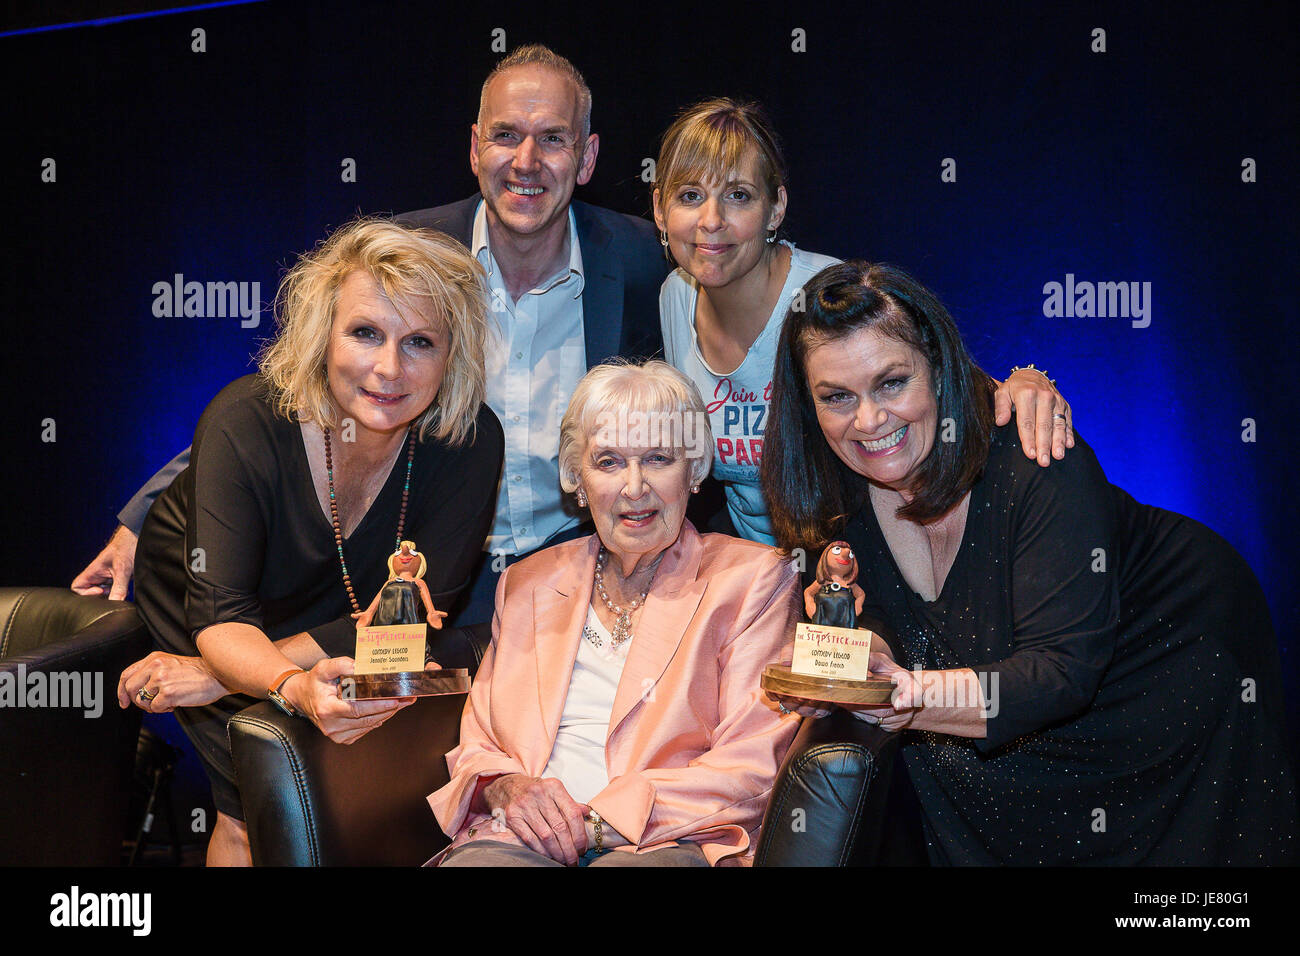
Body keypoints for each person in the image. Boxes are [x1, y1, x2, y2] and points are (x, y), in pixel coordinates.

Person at [73, 44, 665, 627]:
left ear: (586, 158)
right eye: (506, 135)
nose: (526, 160)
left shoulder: (642, 261)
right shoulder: (407, 251)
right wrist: (140, 518)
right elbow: (293, 394)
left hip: (577, 571)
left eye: (553, 138)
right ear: (475, 147)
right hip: (427, 580)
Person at [761, 260, 1299, 864]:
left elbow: (1060, 675)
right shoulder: (830, 492)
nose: (868, 420)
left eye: (891, 383)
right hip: (1018, 722)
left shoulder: (1032, 454)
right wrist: (858, 663)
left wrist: (903, 698)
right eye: (837, 397)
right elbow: (887, 627)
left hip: (1170, 666)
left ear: (939, 369)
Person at [118, 218, 503, 866]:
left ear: (452, 352)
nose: (389, 368)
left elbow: (404, 624)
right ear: (322, 331)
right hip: (213, 596)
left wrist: (214, 680)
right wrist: (279, 682)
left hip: (344, 615)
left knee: (342, 791)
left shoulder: (468, 440)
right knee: (250, 808)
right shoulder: (245, 420)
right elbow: (222, 619)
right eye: (365, 333)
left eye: (419, 342)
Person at [429, 360, 801, 867]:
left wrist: (599, 823)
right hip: (523, 838)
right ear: (577, 480)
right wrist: (506, 788)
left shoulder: (752, 580)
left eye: (657, 458)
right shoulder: (527, 583)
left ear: (694, 470)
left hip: (669, 839)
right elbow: (481, 740)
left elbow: (754, 763)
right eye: (607, 462)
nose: (633, 487)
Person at [653, 99, 1072, 544]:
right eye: (690, 196)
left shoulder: (822, 294)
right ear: (660, 210)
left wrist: (1025, 382)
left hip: (853, 557)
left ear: (775, 208)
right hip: (749, 565)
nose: (712, 221)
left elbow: (939, 386)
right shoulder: (675, 298)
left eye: (738, 195)